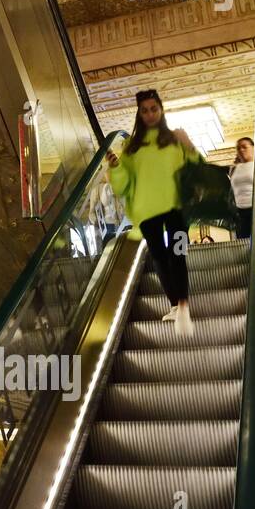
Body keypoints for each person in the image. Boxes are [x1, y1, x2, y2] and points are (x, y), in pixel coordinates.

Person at [107, 89, 202, 335]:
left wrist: (189, 144)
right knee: (159, 256)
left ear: (161, 110)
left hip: (176, 207)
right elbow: (123, 185)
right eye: (145, 110)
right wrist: (116, 167)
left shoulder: (175, 138)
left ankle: (183, 306)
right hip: (147, 210)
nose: (150, 114)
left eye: (154, 108)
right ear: (139, 114)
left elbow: (197, 168)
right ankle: (175, 304)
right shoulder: (131, 147)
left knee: (178, 252)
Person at [229, 137, 255, 240]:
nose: (241, 150)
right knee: (242, 241)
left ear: (253, 148)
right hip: (239, 211)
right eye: (238, 148)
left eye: (244, 147)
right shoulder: (234, 168)